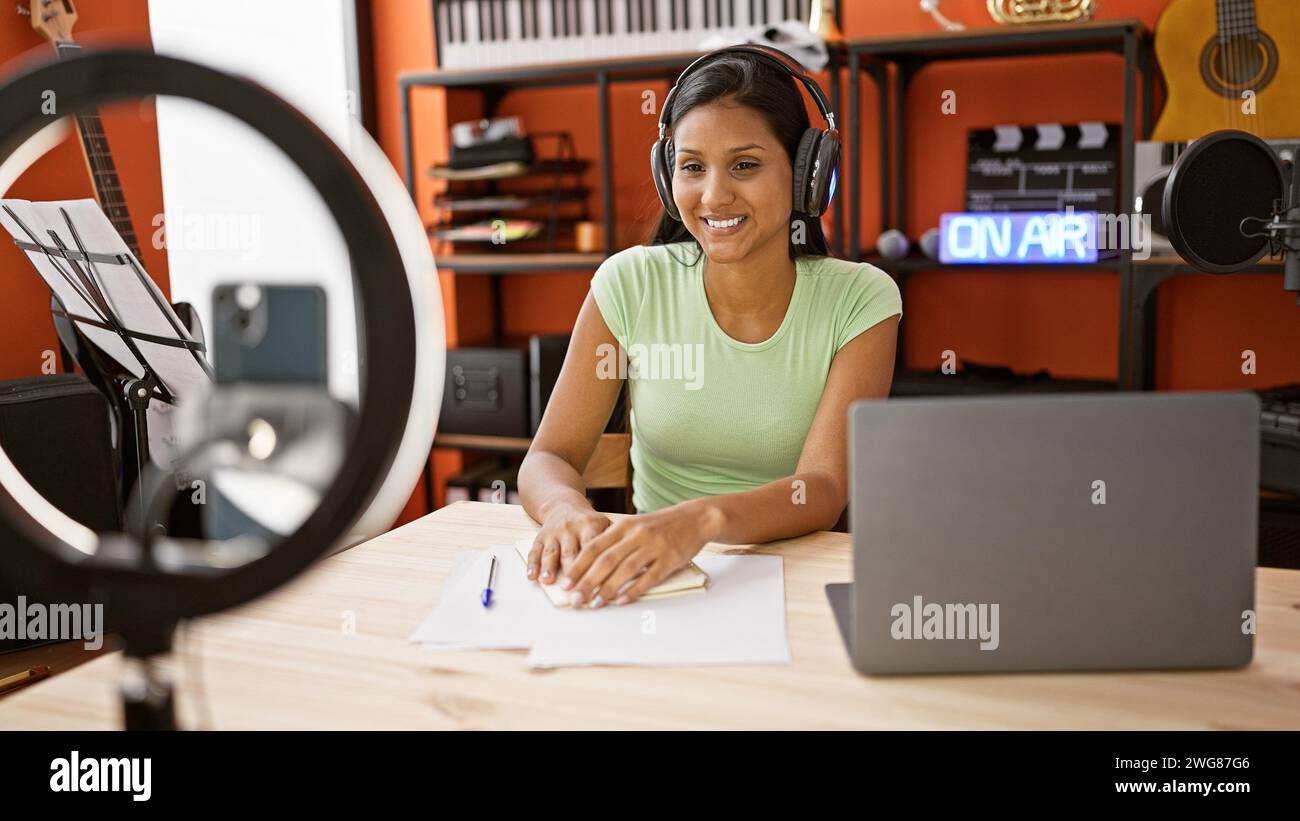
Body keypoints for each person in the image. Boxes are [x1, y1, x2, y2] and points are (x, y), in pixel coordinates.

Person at [517, 47, 901, 607]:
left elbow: (821, 491)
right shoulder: (630, 283)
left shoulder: (860, 299)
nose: (714, 195)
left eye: (744, 164)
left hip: (793, 584)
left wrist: (699, 522)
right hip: (655, 583)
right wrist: (565, 512)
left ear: (806, 175)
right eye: (692, 166)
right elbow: (549, 457)